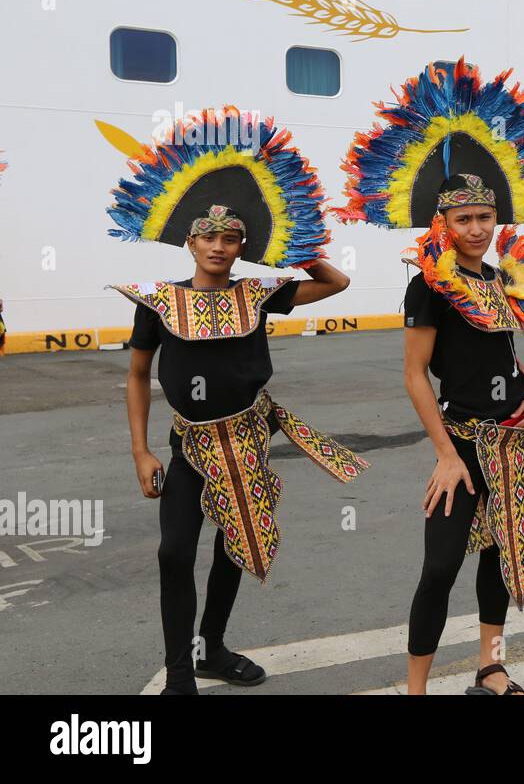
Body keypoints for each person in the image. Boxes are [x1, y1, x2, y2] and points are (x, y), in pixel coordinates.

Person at [107, 108, 368, 695]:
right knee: (175, 554)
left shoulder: (258, 292)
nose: (219, 247)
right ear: (188, 240)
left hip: (249, 445)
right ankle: (180, 674)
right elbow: (136, 376)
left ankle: (212, 647)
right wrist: (140, 451)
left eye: (230, 239)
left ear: (241, 245)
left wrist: (297, 242)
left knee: (235, 546)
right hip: (188, 450)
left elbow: (335, 284)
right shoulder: (157, 301)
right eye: (208, 237)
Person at [334, 58, 524, 696]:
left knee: (499, 560)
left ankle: (491, 667)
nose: (475, 229)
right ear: (443, 224)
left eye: (484, 219)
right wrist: (445, 454)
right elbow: (415, 375)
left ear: (496, 222)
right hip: (462, 442)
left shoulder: (502, 281)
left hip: (515, 439)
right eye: (463, 220)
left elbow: (503, 355)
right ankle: (416, 690)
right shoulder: (428, 285)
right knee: (439, 567)